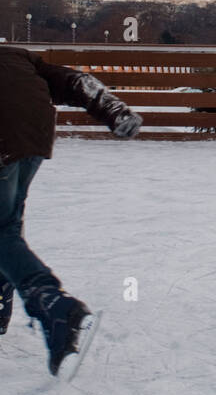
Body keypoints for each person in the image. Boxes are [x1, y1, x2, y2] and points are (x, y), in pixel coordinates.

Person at [0, 47, 141, 372]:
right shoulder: (16, 56)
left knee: (1, 231)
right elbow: (75, 82)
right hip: (31, 135)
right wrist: (114, 111)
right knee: (6, 229)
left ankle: (53, 305)